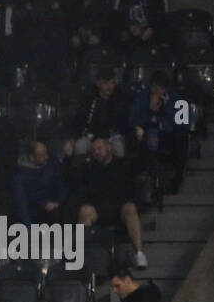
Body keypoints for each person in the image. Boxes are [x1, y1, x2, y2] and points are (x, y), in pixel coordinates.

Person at [70, 135, 147, 269]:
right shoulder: (89, 169)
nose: (97, 152)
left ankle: (139, 253)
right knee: (84, 211)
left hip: (119, 208)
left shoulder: (123, 165)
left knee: (130, 208)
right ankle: (81, 256)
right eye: (94, 150)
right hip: (99, 208)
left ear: (109, 147)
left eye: (99, 148)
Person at [129, 70, 190, 193]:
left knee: (181, 137)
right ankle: (150, 183)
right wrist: (150, 112)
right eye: (154, 88)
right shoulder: (142, 97)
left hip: (169, 138)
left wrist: (166, 109)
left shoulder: (178, 100)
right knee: (142, 135)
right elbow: (133, 121)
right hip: (148, 138)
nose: (157, 91)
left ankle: (176, 180)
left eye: (160, 88)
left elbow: (183, 125)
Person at [70, 67, 131, 158]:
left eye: (112, 83)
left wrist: (107, 139)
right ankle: (80, 171)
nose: (109, 86)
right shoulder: (89, 100)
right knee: (80, 145)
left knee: (119, 147)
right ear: (98, 83)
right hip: (91, 136)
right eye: (106, 83)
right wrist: (92, 138)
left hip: (111, 137)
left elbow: (122, 124)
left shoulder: (119, 100)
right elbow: (80, 121)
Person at [13, 141, 70, 226]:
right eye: (42, 155)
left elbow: (63, 186)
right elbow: (22, 205)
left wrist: (57, 203)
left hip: (55, 211)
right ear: (31, 157)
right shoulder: (20, 176)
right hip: (34, 216)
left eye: (46, 153)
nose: (46, 157)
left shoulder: (52, 165)